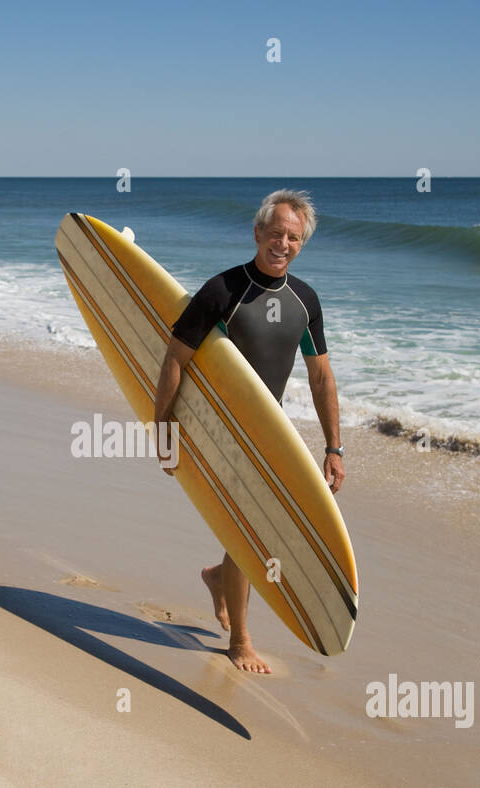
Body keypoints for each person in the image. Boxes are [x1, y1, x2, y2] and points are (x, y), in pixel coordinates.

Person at [152, 189, 344, 675]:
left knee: (253, 533)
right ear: (257, 232)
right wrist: (163, 427)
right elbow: (176, 358)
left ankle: (220, 577)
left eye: (293, 237)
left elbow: (320, 377)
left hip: (266, 433)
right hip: (220, 431)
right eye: (275, 232)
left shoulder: (305, 301)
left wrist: (334, 447)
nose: (283, 243)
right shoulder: (222, 291)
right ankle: (240, 640)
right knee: (254, 535)